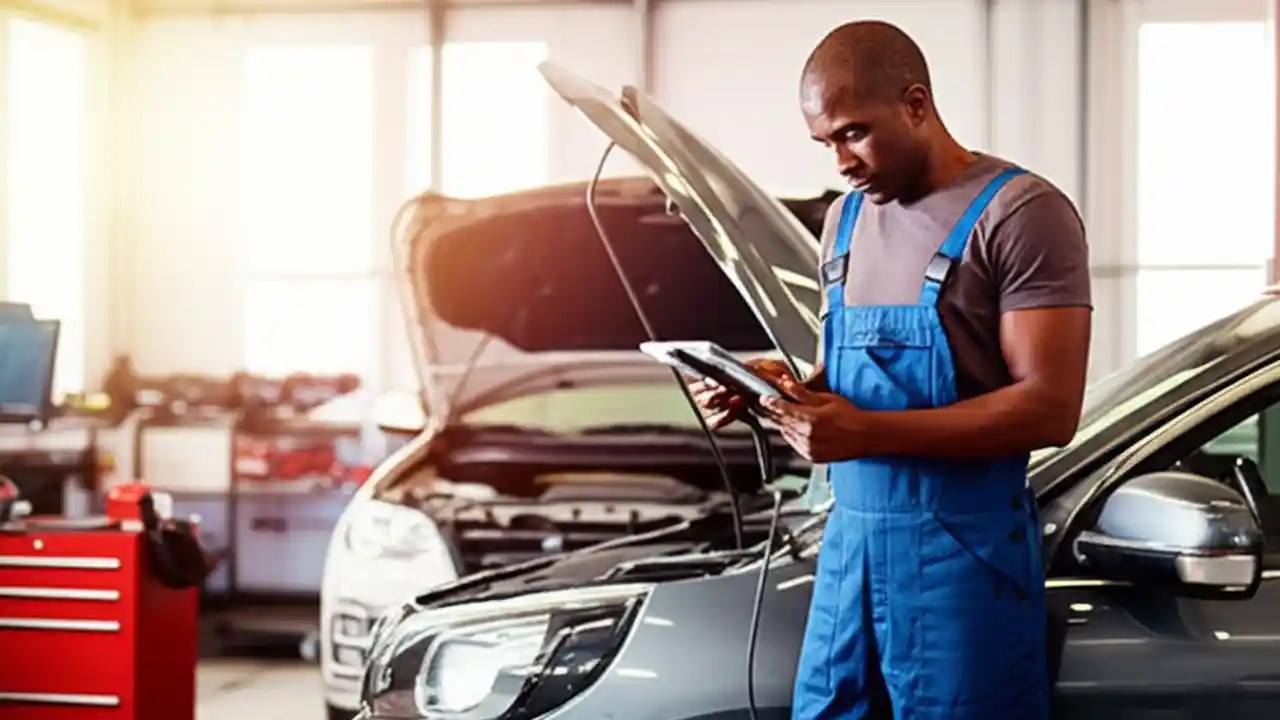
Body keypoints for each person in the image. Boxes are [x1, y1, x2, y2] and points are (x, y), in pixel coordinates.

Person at [690, 19, 1091, 720]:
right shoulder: (844, 222)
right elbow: (851, 377)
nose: (842, 162)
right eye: (826, 143)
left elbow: (1050, 409)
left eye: (854, 133)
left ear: (915, 104)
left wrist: (867, 432)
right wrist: (782, 391)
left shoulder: (1022, 215)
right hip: (848, 553)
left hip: (962, 561)